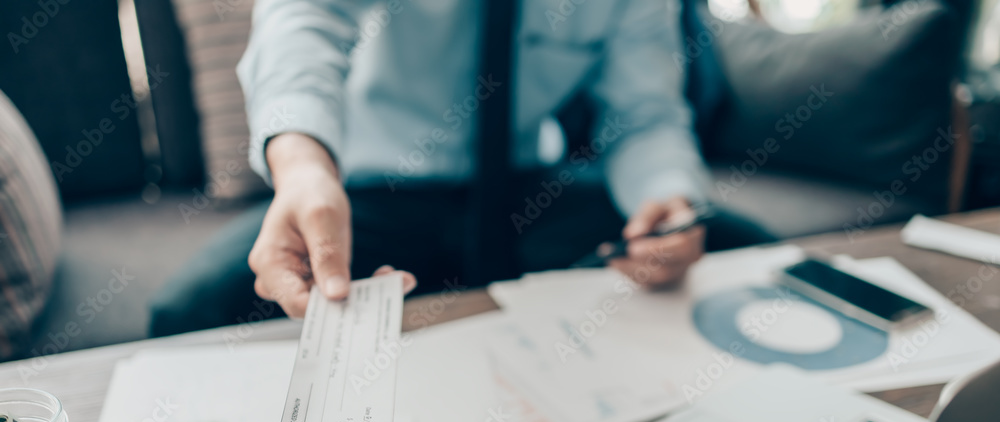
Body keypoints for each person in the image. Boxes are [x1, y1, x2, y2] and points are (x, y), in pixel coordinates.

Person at [149, 0, 774, 335]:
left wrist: (668, 198)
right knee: (189, 310)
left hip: (527, 192)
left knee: (745, 246)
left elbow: (644, 115)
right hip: (375, 193)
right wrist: (303, 166)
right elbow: (303, 20)